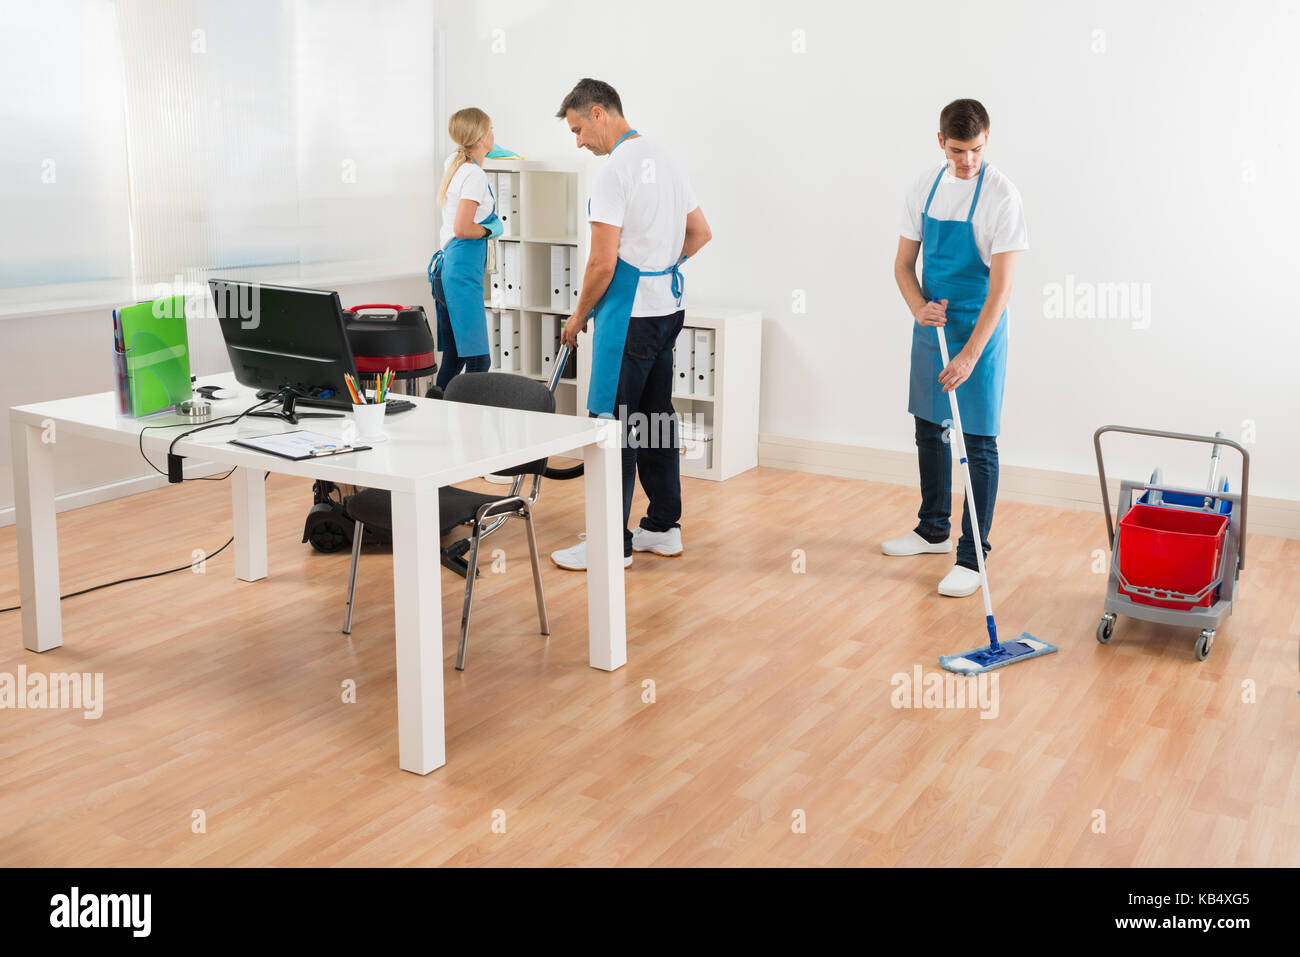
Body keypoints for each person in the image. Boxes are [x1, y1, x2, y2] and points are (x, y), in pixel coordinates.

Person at [548, 78, 713, 572]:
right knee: (655, 419)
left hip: (629, 321)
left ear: (599, 113)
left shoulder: (613, 172)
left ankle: (609, 543)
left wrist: (577, 318)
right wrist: (661, 264)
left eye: (578, 129)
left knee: (613, 428)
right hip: (667, 310)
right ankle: (663, 527)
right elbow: (700, 233)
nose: (578, 141)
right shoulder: (663, 156)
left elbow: (601, 265)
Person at [884, 98, 1028, 597]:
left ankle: (972, 556)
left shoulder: (1002, 197)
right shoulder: (922, 188)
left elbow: (1002, 288)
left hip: (980, 330)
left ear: (988, 141)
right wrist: (916, 307)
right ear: (941, 142)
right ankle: (932, 528)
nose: (969, 160)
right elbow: (903, 265)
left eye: (977, 149)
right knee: (929, 426)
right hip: (933, 323)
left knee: (978, 440)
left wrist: (970, 355)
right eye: (960, 150)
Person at [429, 107, 503, 392]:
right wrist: (491, 229)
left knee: (455, 356)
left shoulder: (455, 162)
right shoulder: (474, 175)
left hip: (445, 269)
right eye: (491, 129)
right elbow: (463, 228)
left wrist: (493, 151)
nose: (494, 134)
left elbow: (471, 152)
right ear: (483, 135)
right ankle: (468, 422)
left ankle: (438, 412)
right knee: (478, 361)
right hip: (461, 271)